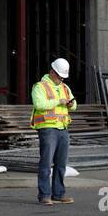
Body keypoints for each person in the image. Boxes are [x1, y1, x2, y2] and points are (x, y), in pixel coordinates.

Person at [31, 57, 77, 206]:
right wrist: (59, 101)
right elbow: (39, 103)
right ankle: (44, 195)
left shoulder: (64, 87)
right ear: (52, 72)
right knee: (46, 163)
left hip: (63, 128)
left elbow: (74, 105)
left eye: (63, 77)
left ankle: (58, 194)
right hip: (47, 129)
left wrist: (70, 104)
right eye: (59, 76)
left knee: (61, 164)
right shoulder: (40, 86)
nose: (61, 80)